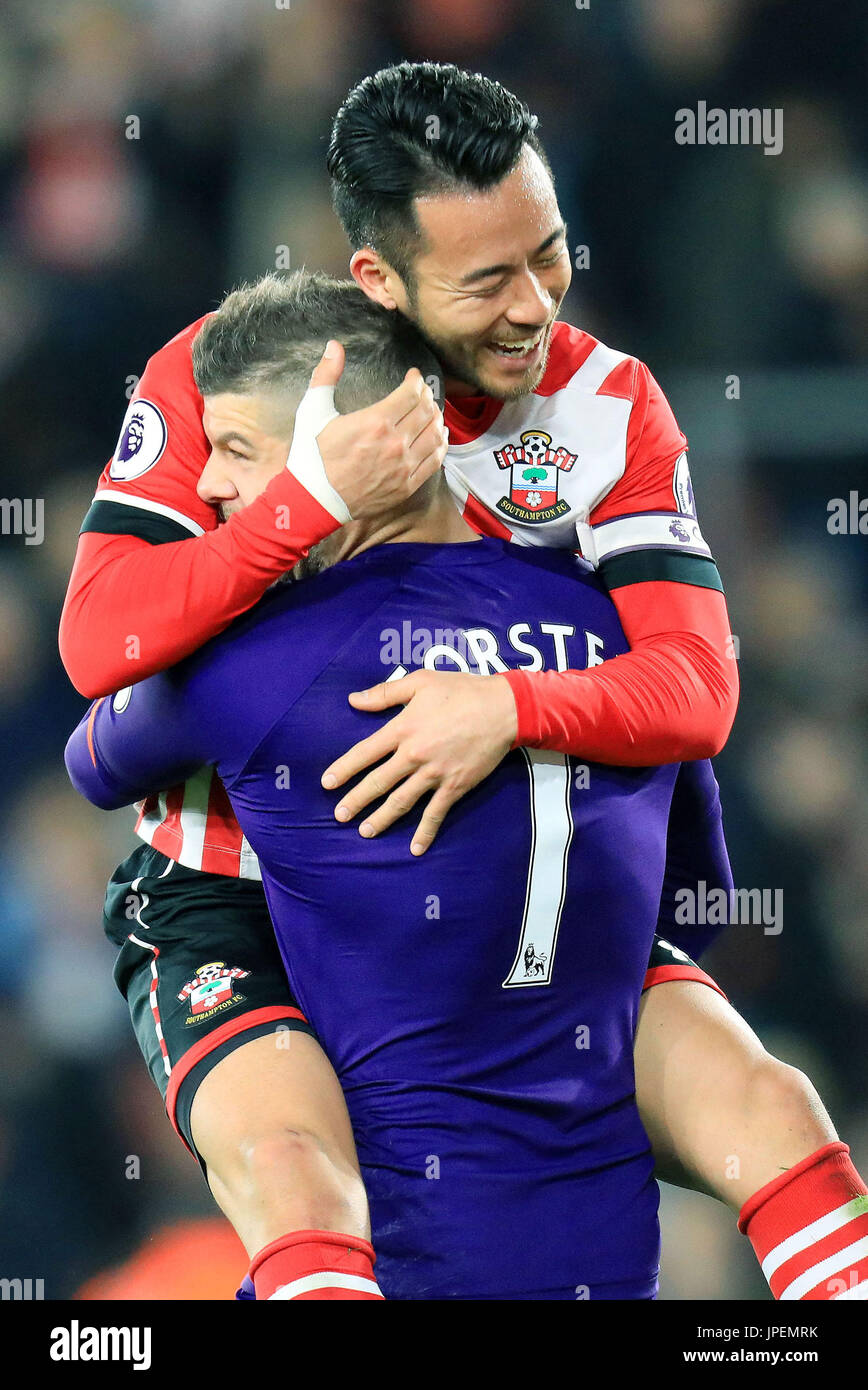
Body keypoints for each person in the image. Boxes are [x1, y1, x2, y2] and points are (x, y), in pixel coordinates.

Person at [57, 59, 868, 1300]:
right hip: (249, 900)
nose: (536, 305)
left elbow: (696, 692)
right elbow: (97, 647)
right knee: (296, 1177)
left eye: (550, 254)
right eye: (488, 278)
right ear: (377, 280)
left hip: (498, 882)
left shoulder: (604, 408)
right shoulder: (238, 376)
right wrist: (305, 503)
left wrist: (506, 708)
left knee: (773, 1105)